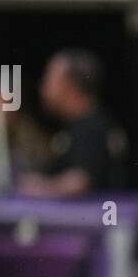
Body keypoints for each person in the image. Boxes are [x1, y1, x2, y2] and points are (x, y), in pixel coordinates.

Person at [19, 49, 121, 197]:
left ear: (69, 85)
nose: (42, 88)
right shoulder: (74, 127)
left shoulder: (92, 127)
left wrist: (39, 187)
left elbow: (80, 182)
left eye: (49, 79)